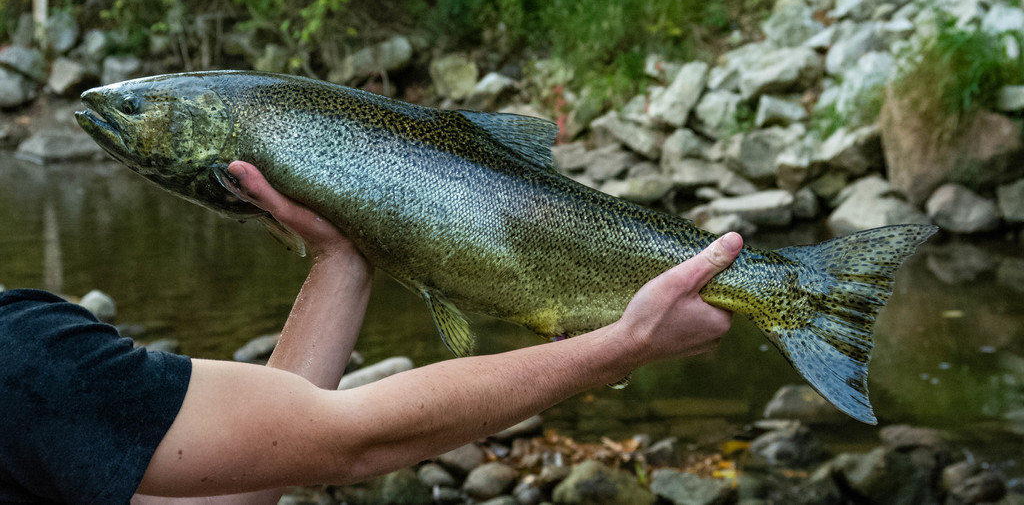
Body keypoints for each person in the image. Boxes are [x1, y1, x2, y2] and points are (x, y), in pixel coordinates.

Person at [0, 161, 741, 504]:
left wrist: (340, 257)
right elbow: (343, 439)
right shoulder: (23, 354)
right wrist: (622, 343)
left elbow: (236, 481)